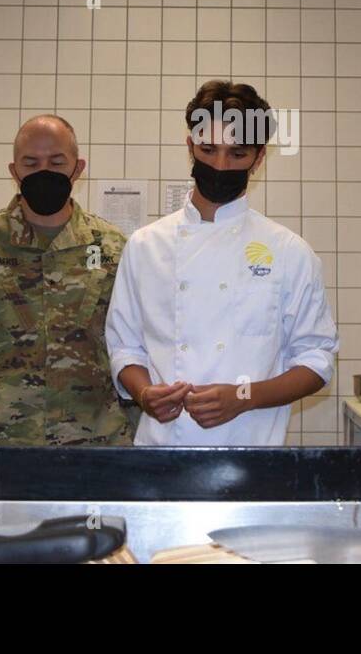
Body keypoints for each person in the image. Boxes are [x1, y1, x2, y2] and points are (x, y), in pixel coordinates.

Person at [105, 80, 338, 445]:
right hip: (162, 449)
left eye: (237, 154)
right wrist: (144, 394)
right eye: (208, 149)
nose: (219, 164)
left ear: (259, 158)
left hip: (252, 450)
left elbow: (316, 360)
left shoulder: (289, 252)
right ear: (190, 146)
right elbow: (125, 347)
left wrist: (242, 398)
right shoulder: (145, 246)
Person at [0, 114, 132, 445]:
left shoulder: (112, 249)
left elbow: (134, 347)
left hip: (93, 445)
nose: (44, 171)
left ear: (78, 168)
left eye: (57, 161)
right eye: (31, 163)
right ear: (14, 171)